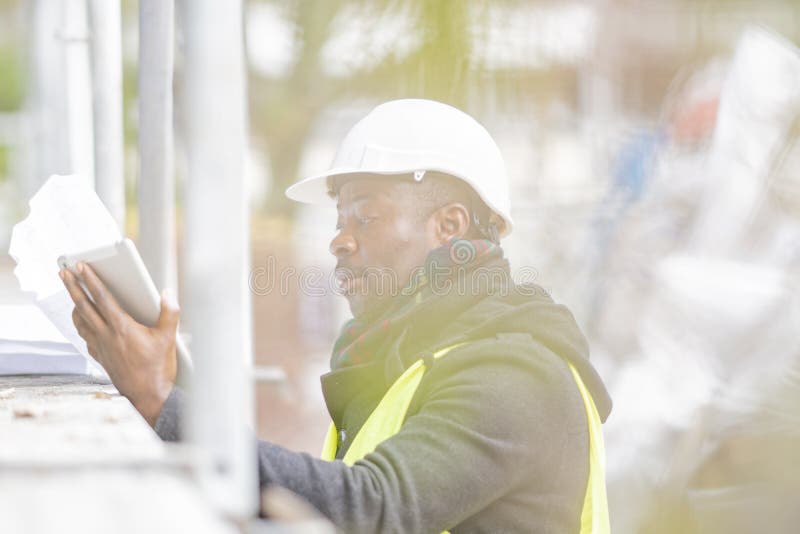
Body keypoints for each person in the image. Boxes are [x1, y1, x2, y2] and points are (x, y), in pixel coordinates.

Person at [60, 99, 612, 533]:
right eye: (340, 220)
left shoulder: (516, 375)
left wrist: (160, 399)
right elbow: (318, 497)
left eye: (365, 219)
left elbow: (369, 506)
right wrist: (172, 393)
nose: (339, 241)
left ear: (449, 226)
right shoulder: (410, 357)